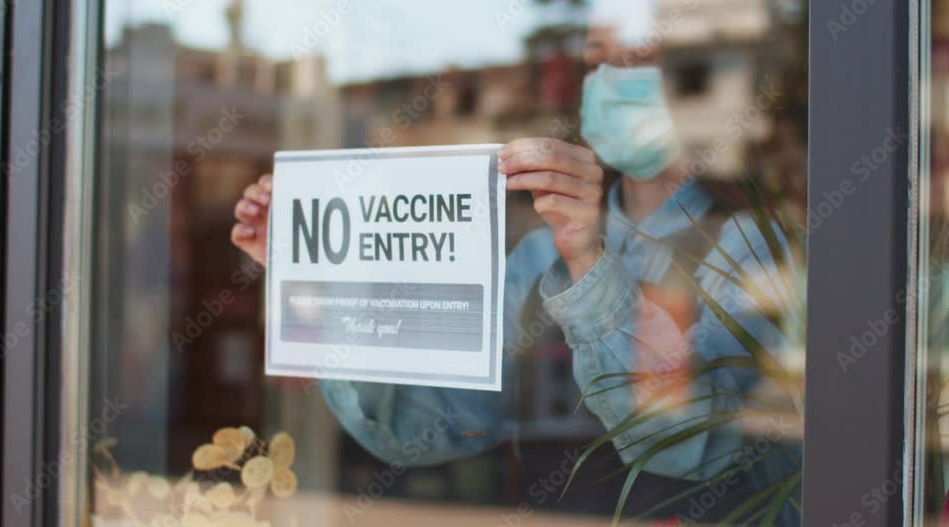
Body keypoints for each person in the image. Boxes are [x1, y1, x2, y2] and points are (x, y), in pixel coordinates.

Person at [231, 0, 801, 522]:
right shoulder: (535, 255)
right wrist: (309, 274)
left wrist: (588, 263)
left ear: (685, 80)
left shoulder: (748, 247)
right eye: (596, 61)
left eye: (637, 60)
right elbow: (425, 428)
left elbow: (691, 448)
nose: (610, 80)